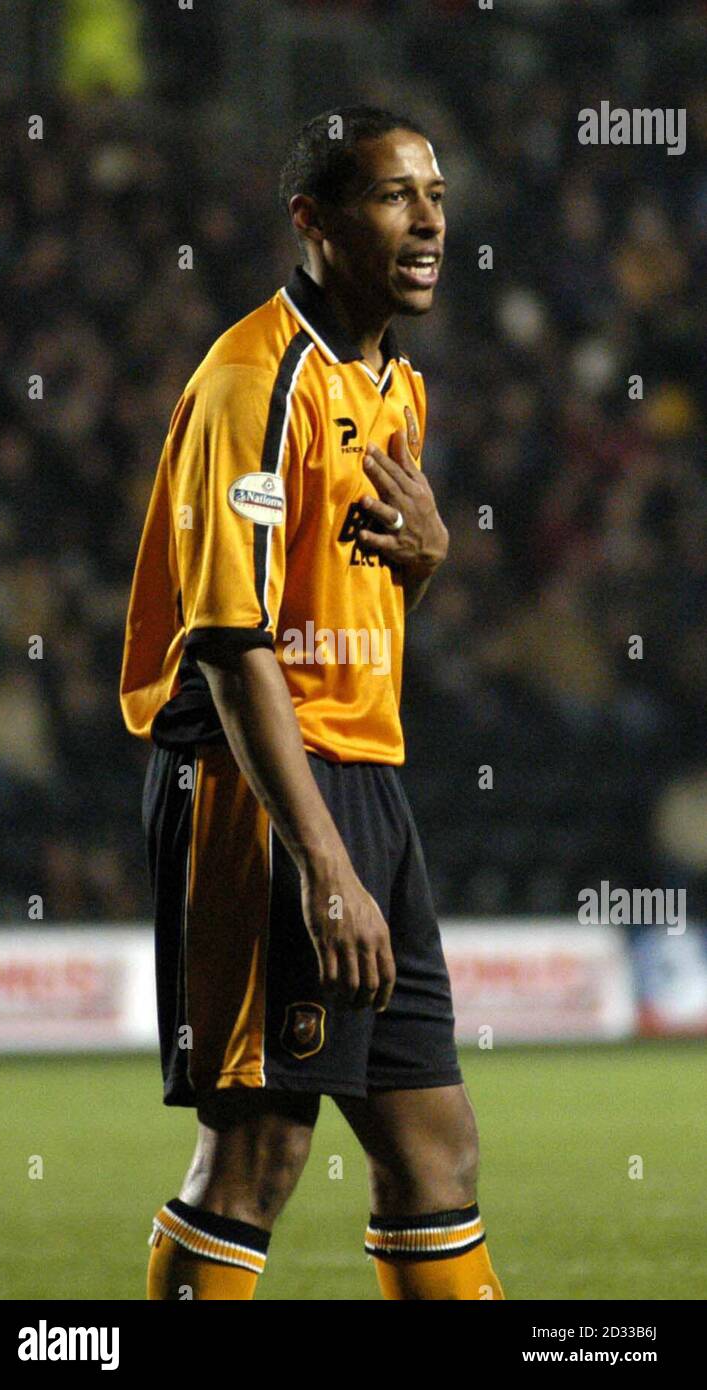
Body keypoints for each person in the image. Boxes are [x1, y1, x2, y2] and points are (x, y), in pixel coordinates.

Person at [120, 106, 505, 1301]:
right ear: (313, 220)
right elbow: (233, 646)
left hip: (362, 783)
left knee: (433, 1148)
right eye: (395, 196)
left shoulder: (395, 387)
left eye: (435, 194)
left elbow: (341, 627)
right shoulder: (252, 377)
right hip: (256, 793)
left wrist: (429, 564)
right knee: (255, 1153)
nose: (429, 218)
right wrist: (323, 865)